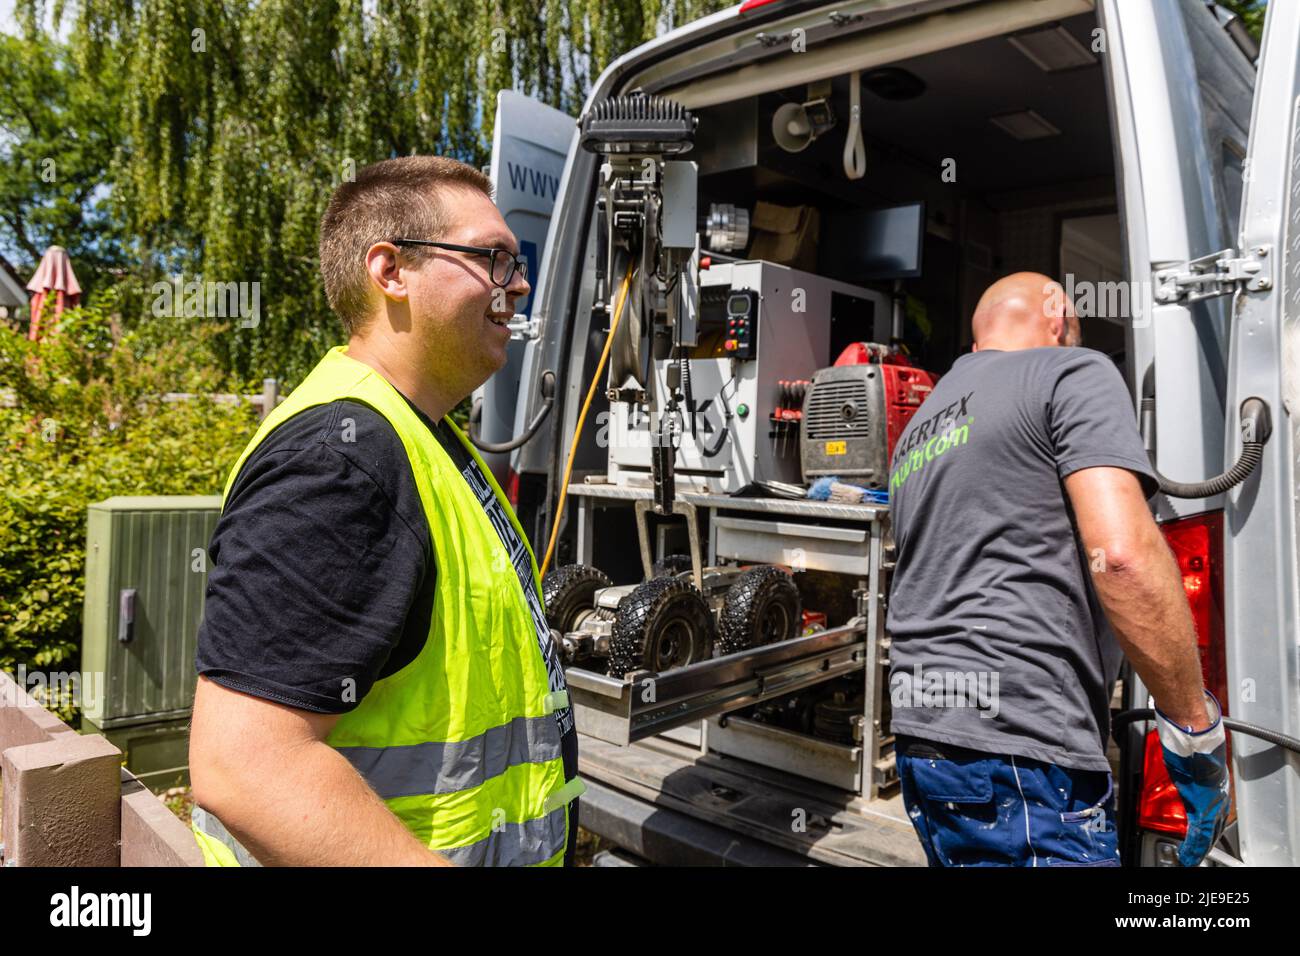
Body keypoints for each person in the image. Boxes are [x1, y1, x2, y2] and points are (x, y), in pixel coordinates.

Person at [188, 156, 583, 866]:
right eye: (493, 259)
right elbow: (244, 766)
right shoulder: (342, 459)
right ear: (390, 271)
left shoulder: (424, 436)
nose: (518, 283)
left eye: (516, 263)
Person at [886, 271, 1229, 867]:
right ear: (1058, 314)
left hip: (925, 740)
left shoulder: (920, 426)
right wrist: (1193, 731)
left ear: (976, 344)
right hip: (1024, 754)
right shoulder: (1070, 370)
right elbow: (1121, 558)